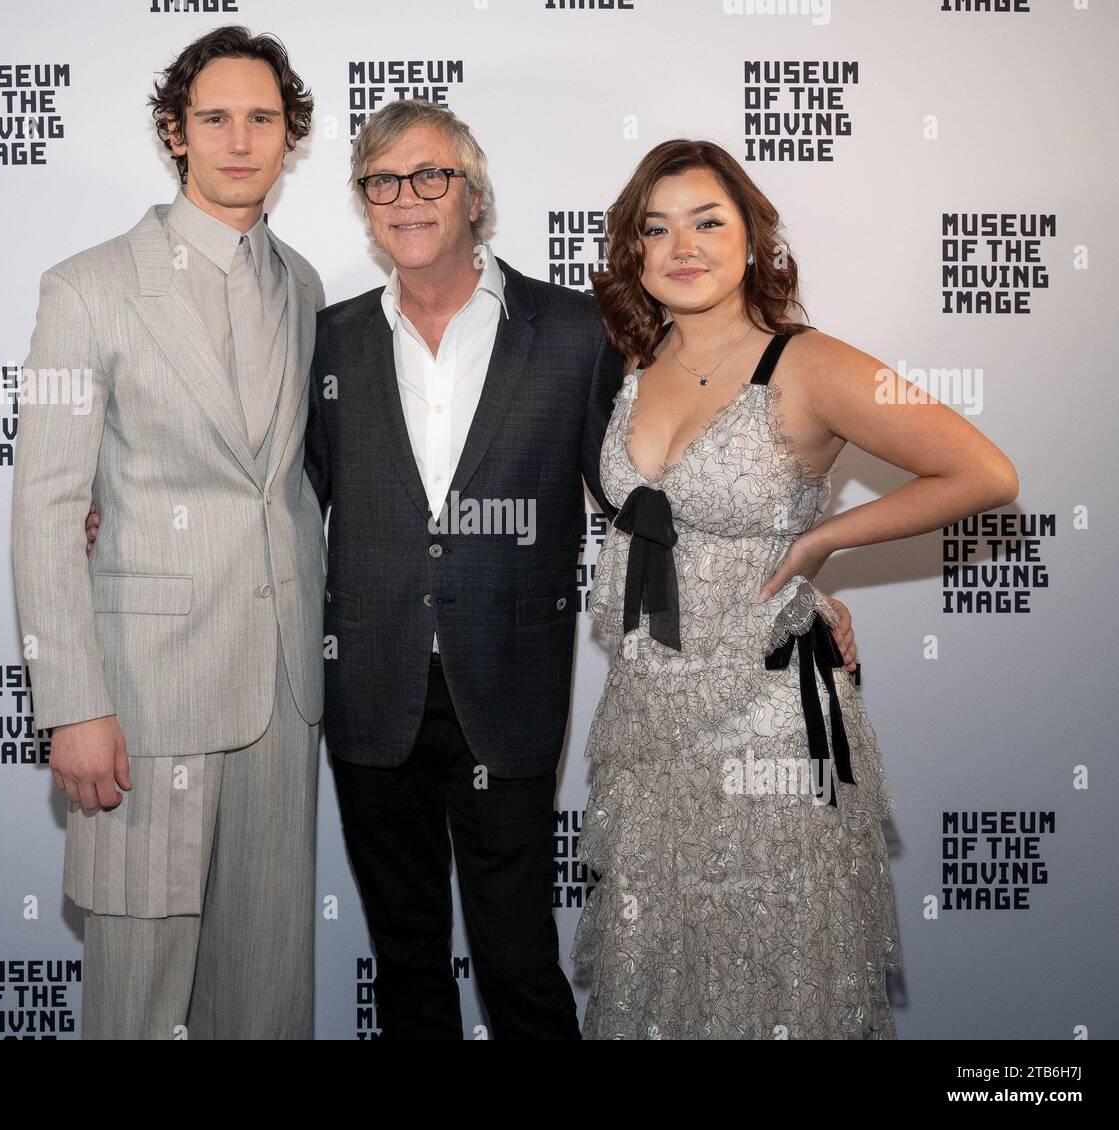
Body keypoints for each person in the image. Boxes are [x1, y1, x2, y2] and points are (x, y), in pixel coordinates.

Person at [304, 101, 858, 1039]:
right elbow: (282, 494)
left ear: (474, 197)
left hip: (508, 690)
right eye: (384, 182)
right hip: (368, 683)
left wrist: (797, 574)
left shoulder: (572, 332)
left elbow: (650, 486)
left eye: (431, 176)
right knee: (404, 963)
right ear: (366, 204)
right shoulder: (329, 341)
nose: (408, 198)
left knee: (520, 962)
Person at [572, 139, 1019, 1039]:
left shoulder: (807, 363)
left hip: (772, 712)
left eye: (708, 221)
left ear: (751, 239)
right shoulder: (626, 364)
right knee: (664, 962)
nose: (682, 246)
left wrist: (822, 542)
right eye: (655, 230)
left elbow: (983, 472)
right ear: (634, 254)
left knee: (775, 965)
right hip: (649, 716)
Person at [12, 27, 326, 1039]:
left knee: (266, 993)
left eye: (262, 119)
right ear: (173, 133)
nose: (240, 140)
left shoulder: (305, 286)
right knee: (137, 1000)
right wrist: (70, 701)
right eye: (214, 117)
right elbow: (49, 507)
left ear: (291, 138)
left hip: (282, 691)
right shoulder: (86, 286)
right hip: (144, 697)